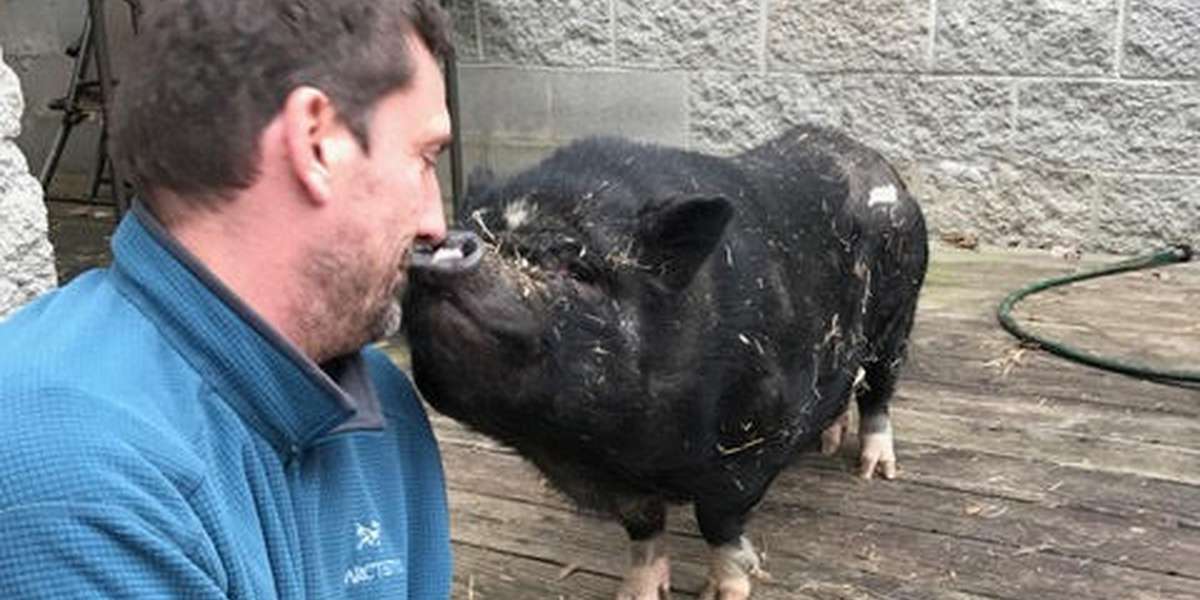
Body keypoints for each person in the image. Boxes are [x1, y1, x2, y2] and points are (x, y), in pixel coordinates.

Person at [0, 0, 456, 597]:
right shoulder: (68, 469)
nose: (436, 224)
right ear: (315, 142)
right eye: (424, 159)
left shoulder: (382, 408)